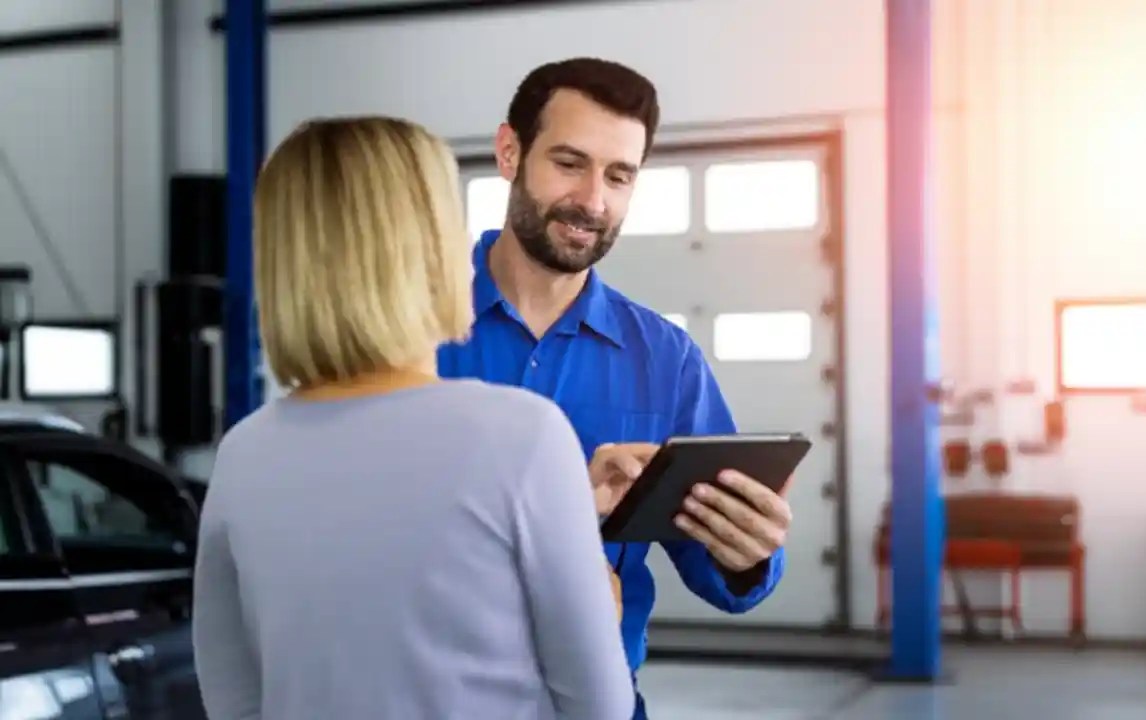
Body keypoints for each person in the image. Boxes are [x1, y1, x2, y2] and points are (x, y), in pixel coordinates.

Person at [192, 116, 635, 720]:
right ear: (429, 251)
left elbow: (234, 700)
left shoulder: (243, 454)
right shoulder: (524, 436)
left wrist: (558, 510)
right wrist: (594, 589)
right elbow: (598, 708)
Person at [438, 57, 795, 717]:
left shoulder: (665, 361)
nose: (593, 201)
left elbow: (722, 576)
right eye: (570, 163)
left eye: (619, 175)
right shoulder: (411, 333)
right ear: (510, 152)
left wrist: (747, 552)